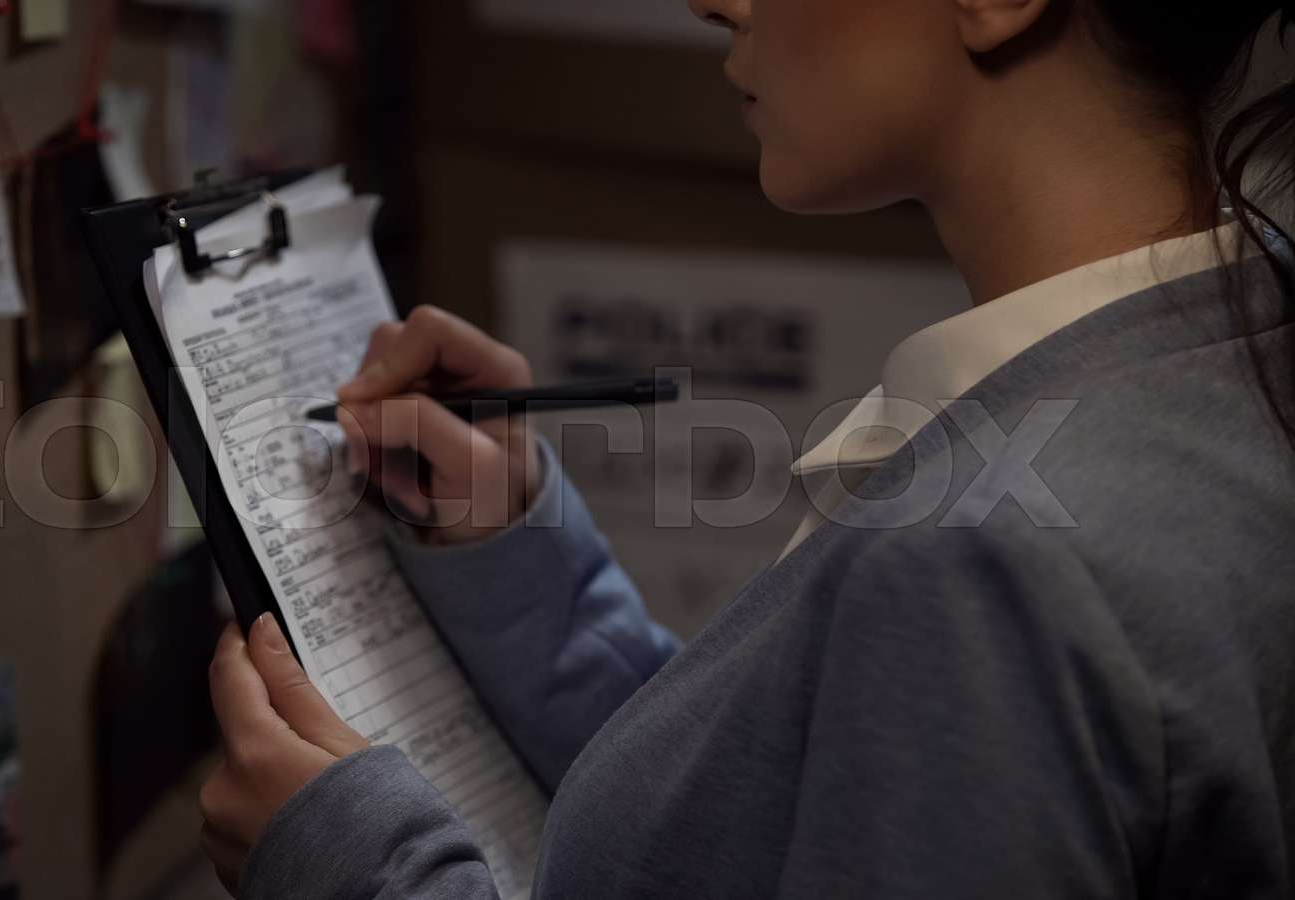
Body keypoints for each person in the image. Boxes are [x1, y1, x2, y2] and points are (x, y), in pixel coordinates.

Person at [199, 0, 1295, 896]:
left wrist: (349, 867)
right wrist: (522, 571)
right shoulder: (1217, 355)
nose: (710, 3)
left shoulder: (1000, 559)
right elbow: (766, 833)